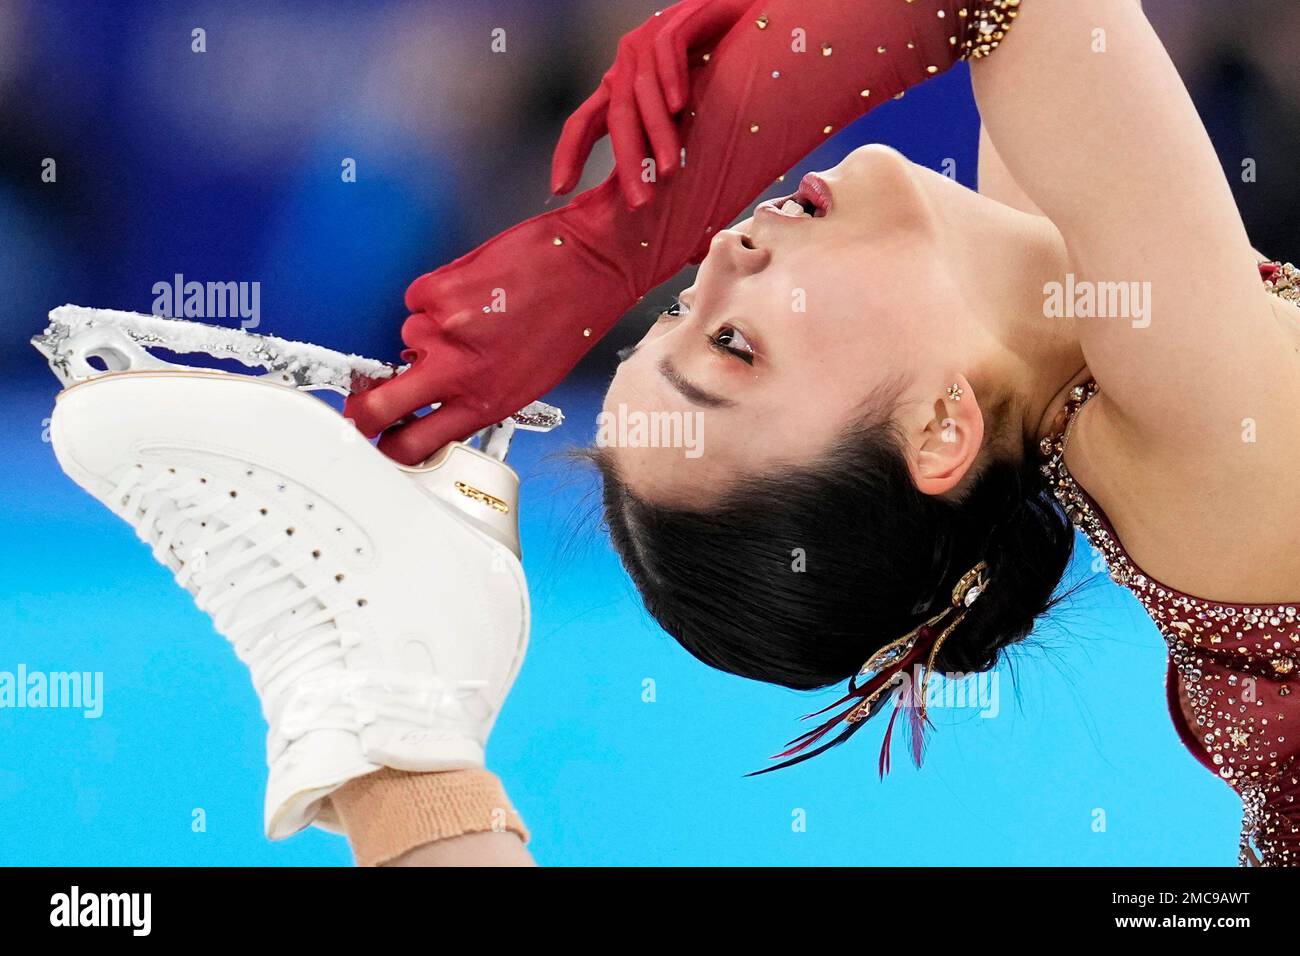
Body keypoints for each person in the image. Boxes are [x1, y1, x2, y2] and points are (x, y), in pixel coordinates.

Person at [49, 0, 1300, 867]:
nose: (721, 252)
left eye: (679, 304)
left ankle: (394, 738)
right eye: (737, 344)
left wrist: (771, 33)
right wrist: (607, 241)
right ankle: (392, 741)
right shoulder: (1194, 441)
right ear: (936, 431)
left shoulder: (1075, 290)